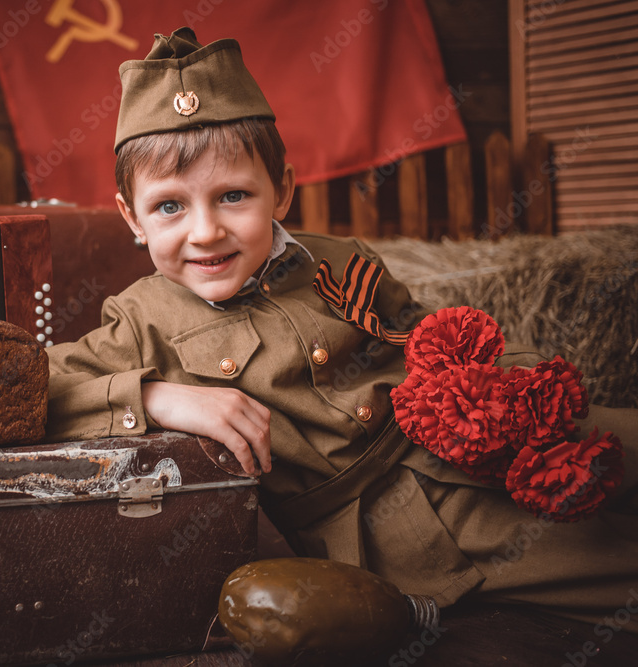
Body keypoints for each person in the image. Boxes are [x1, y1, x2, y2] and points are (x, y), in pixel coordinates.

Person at [44, 26, 638, 631]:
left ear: (280, 191)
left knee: (616, 439)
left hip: (462, 435)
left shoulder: (339, 259)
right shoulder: (141, 319)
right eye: (170, 206)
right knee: (606, 559)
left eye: (232, 196)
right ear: (132, 218)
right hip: (403, 520)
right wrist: (155, 396)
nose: (204, 231)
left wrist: (512, 386)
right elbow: (31, 388)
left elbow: (426, 336)